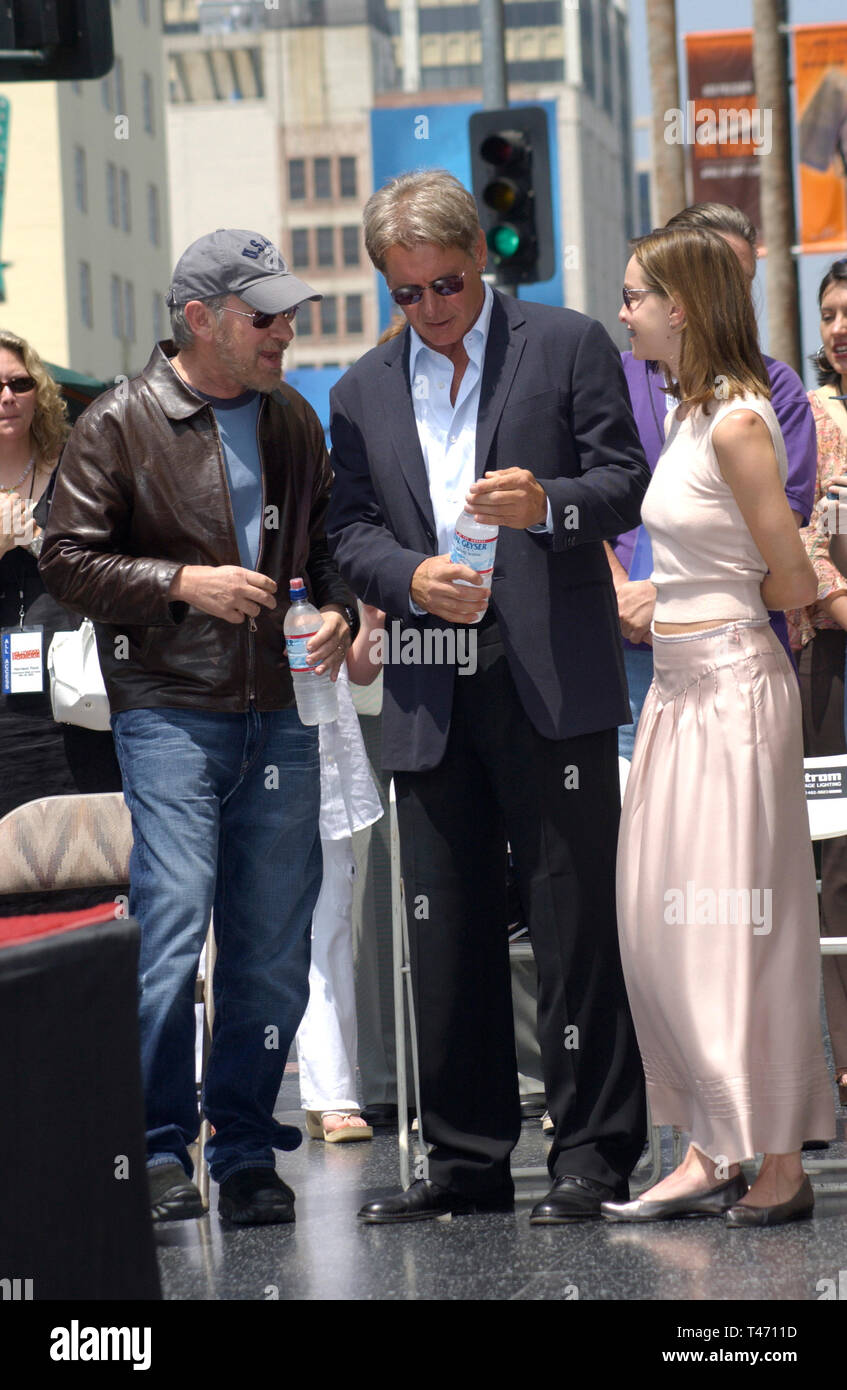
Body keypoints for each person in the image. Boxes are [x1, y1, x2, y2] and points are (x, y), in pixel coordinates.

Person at [328, 169, 649, 1225]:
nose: (429, 308)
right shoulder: (359, 389)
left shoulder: (565, 344)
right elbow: (349, 531)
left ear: (482, 259)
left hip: (549, 676)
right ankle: (464, 1158)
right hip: (429, 690)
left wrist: (545, 503)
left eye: (447, 284)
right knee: (445, 926)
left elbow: (622, 481)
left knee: (571, 930)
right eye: (406, 291)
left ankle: (591, 1154)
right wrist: (405, 577)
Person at [40, 229, 359, 1226]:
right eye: (263, 315)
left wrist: (343, 608)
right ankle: (154, 1147)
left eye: (287, 313)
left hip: (283, 715)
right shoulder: (117, 424)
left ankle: (248, 1150)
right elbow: (64, 560)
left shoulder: (292, 421)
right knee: (172, 926)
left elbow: (332, 540)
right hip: (170, 713)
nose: (284, 331)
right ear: (198, 318)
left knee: (267, 950)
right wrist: (181, 582)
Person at [605, 226, 834, 1228]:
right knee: (660, 924)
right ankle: (709, 1141)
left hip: (736, 689)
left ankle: (772, 1162)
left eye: (634, 296)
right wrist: (668, 593)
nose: (623, 314)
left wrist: (703, 595)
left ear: (681, 306)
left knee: (737, 927)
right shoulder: (685, 410)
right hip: (675, 690)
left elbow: (789, 574)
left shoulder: (740, 422)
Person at [608, 203, 817, 758]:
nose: (733, 293)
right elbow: (584, 494)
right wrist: (621, 590)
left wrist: (672, 599)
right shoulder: (666, 399)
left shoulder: (747, 410)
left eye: (740, 278)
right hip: (643, 667)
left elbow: (787, 565)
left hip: (728, 673)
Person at [0, 330, 123, 915]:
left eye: (20, 384)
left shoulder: (74, 472)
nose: (7, 396)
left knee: (90, 870)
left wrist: (41, 540)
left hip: (75, 702)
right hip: (4, 721)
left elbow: (111, 567)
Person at [788, 258, 847, 1111]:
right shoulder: (807, 417)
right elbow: (795, 543)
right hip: (832, 673)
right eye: (829, 315)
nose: (838, 328)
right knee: (838, 868)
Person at [297, 607, 384, 1141]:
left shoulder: (320, 534)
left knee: (331, 907)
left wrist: (368, 623)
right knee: (233, 912)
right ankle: (227, 1100)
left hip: (319, 723)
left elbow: (362, 667)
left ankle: (332, 1090)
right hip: (220, 718)